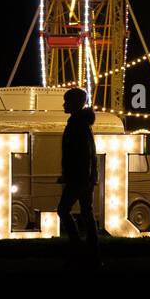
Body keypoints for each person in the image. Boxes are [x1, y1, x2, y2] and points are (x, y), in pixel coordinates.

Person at [57, 87, 101, 268]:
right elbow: (90, 154)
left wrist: (71, 175)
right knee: (86, 212)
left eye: (67, 101)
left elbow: (78, 154)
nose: (64, 104)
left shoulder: (76, 125)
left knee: (63, 210)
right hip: (86, 177)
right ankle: (92, 249)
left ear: (76, 104)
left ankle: (77, 247)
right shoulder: (83, 124)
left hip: (79, 178)